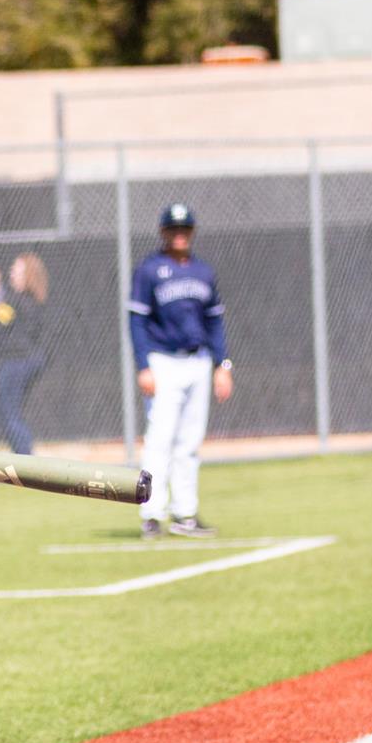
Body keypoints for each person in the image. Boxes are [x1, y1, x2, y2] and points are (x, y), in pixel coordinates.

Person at [129, 203, 233, 539]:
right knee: (159, 439)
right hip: (163, 361)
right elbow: (137, 321)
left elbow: (214, 322)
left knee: (189, 443)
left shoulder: (203, 272)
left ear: (192, 232)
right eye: (173, 229)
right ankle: (151, 513)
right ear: (163, 232)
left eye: (185, 229)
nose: (179, 235)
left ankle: (185, 513)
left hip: (198, 361)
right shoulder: (149, 270)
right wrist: (143, 365)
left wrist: (222, 365)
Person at [0, 253, 49, 456]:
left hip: (19, 362)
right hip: (24, 361)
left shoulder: (18, 301)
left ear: (28, 275)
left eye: (16, 270)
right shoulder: (25, 301)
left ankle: (25, 458)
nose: (11, 274)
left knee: (8, 413)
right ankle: (24, 456)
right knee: (8, 413)